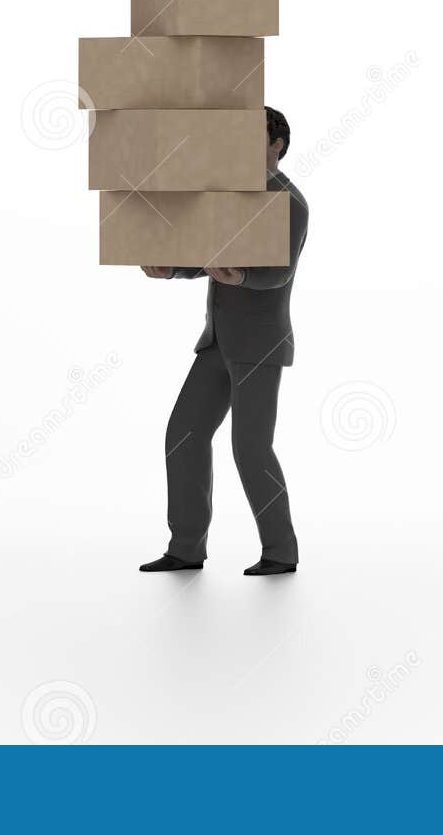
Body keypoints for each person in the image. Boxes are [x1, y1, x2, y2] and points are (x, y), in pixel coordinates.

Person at [138, 106, 309, 577]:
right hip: (216, 342)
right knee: (184, 436)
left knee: (251, 448)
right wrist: (172, 268)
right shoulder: (233, 198)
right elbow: (211, 258)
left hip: (259, 344)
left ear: (276, 145)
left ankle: (281, 551)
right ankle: (187, 547)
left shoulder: (289, 202)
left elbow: (279, 271)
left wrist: (242, 276)